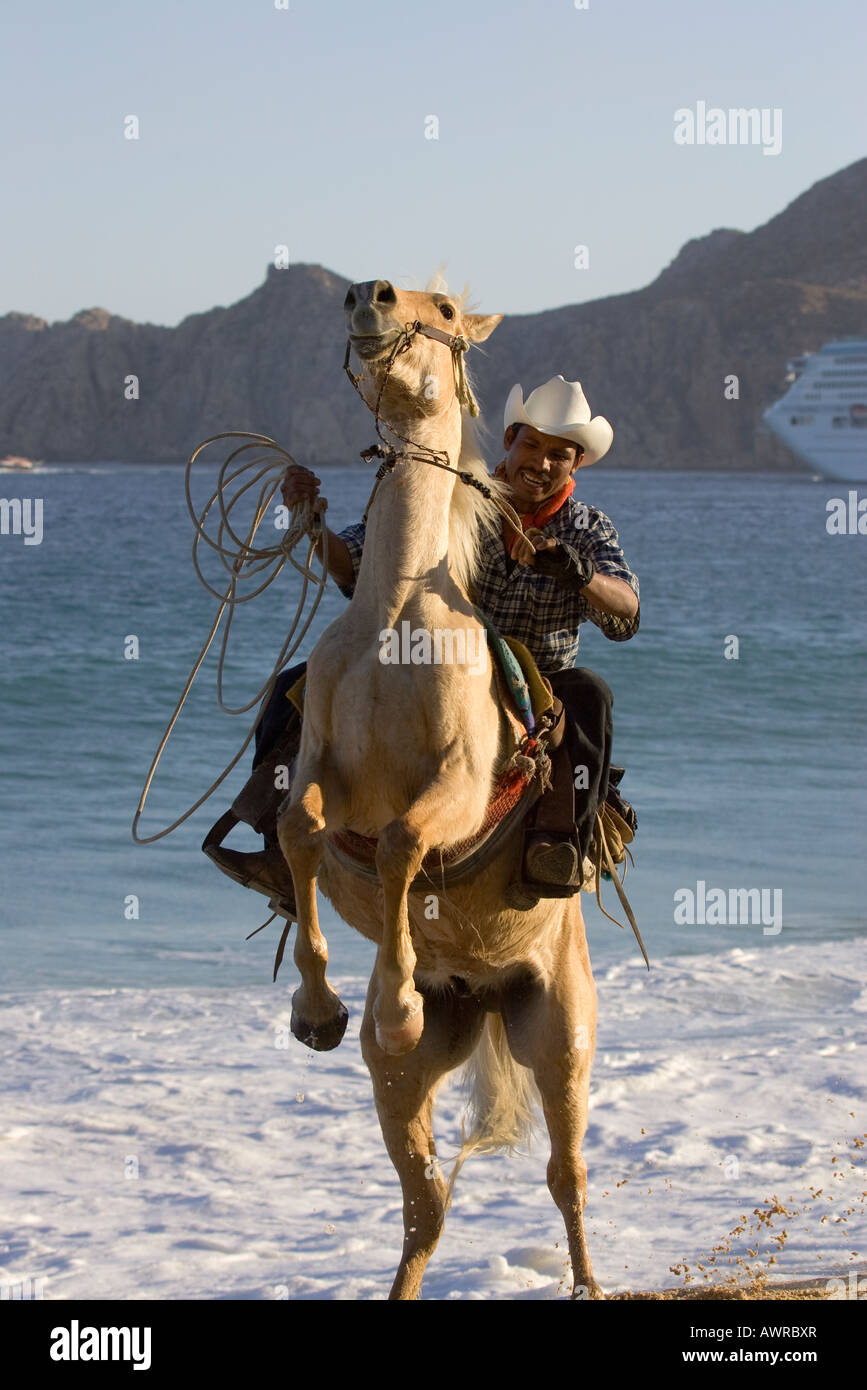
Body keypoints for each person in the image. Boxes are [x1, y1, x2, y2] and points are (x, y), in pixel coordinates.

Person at [204, 376, 639, 913]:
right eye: (532, 445)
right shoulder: (450, 500)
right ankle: (277, 845)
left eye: (559, 455)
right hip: (433, 661)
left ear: (577, 465)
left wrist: (580, 575)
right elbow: (354, 565)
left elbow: (626, 611)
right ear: (509, 441)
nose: (542, 463)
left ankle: (558, 842)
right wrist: (311, 523)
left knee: (591, 696)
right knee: (295, 688)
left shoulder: (587, 528)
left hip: (537, 677)